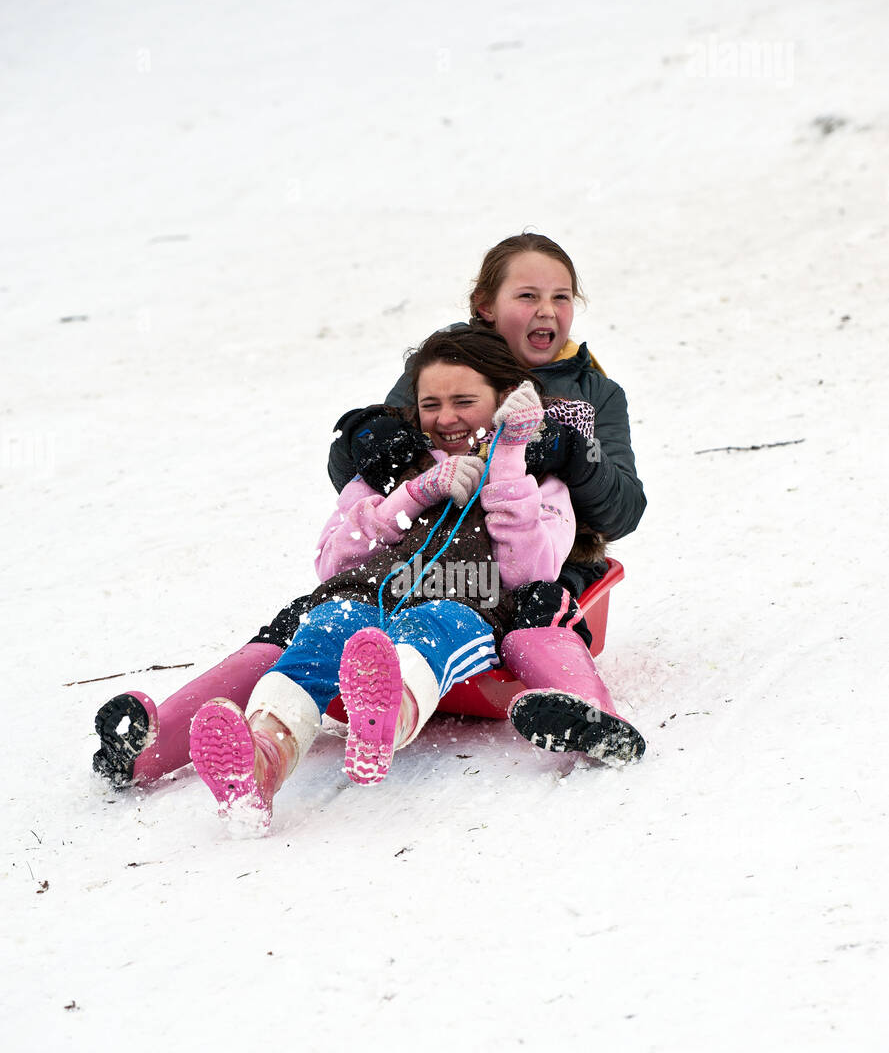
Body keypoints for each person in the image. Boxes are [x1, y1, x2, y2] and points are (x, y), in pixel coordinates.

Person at [92, 234, 645, 790]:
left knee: (535, 601)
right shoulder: (444, 363)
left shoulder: (593, 393)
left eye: (561, 297)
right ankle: (155, 745)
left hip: (541, 555)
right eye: (527, 296)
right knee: (305, 619)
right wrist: (366, 438)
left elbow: (619, 510)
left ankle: (586, 718)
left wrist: (570, 454)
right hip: (413, 559)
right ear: (486, 306)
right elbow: (372, 478)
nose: (546, 311)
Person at [187, 327, 577, 826]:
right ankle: (261, 762)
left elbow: (531, 573)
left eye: (464, 400)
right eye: (431, 404)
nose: (447, 418)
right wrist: (412, 495)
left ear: (503, 398)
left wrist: (505, 464)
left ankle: (384, 721)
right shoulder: (387, 467)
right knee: (322, 635)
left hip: (464, 601)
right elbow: (332, 564)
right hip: (363, 596)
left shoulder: (538, 479)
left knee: (429, 632)